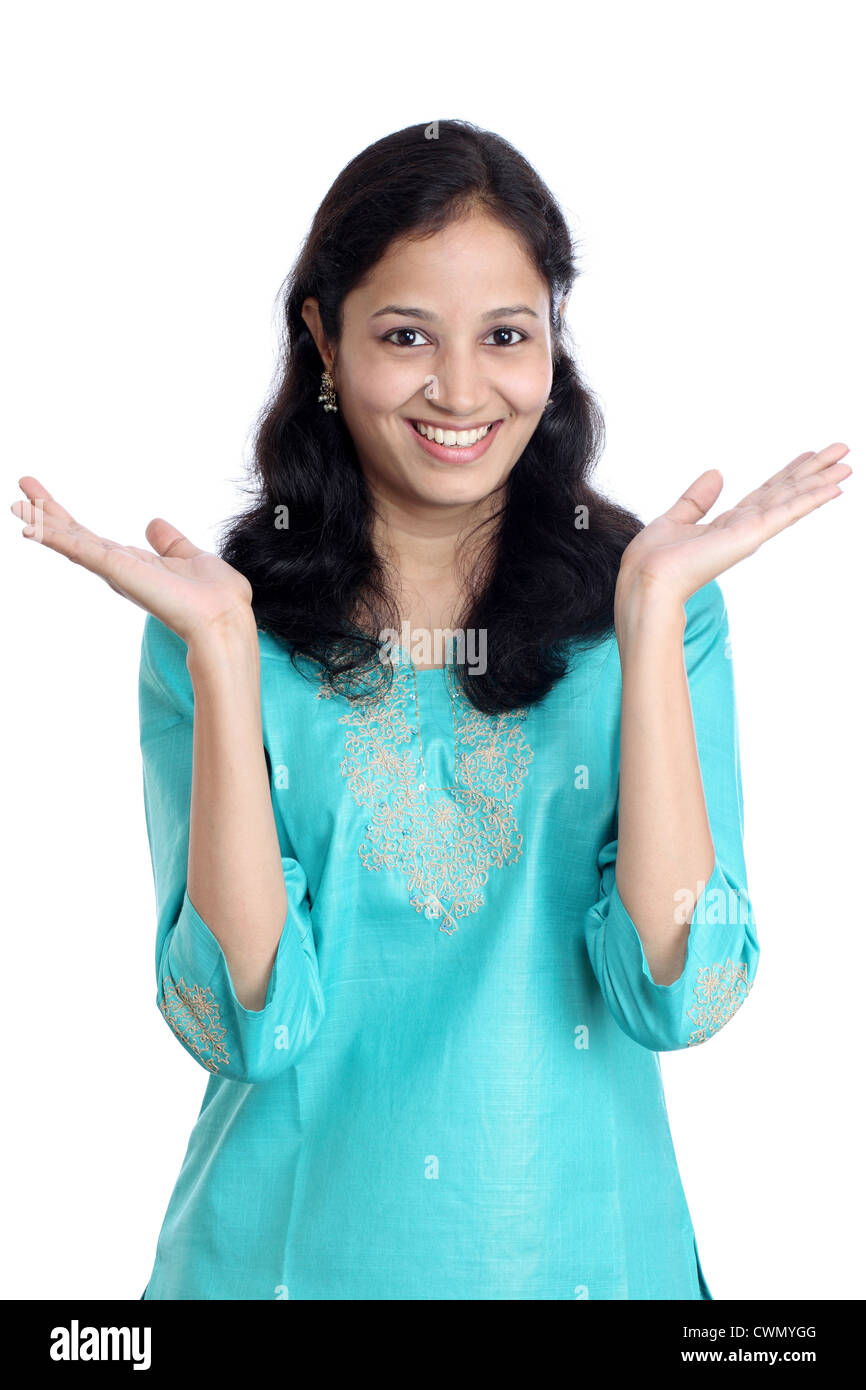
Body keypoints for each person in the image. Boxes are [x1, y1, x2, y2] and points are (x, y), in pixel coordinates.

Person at [11, 119, 851, 1301]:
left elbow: (678, 991)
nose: (459, 390)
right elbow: (245, 1026)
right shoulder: (218, 626)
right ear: (322, 337)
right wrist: (215, 650)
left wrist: (652, 611)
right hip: (280, 1266)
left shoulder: (656, 618)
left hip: (587, 1262)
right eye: (405, 335)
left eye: (504, 335)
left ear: (551, 340)